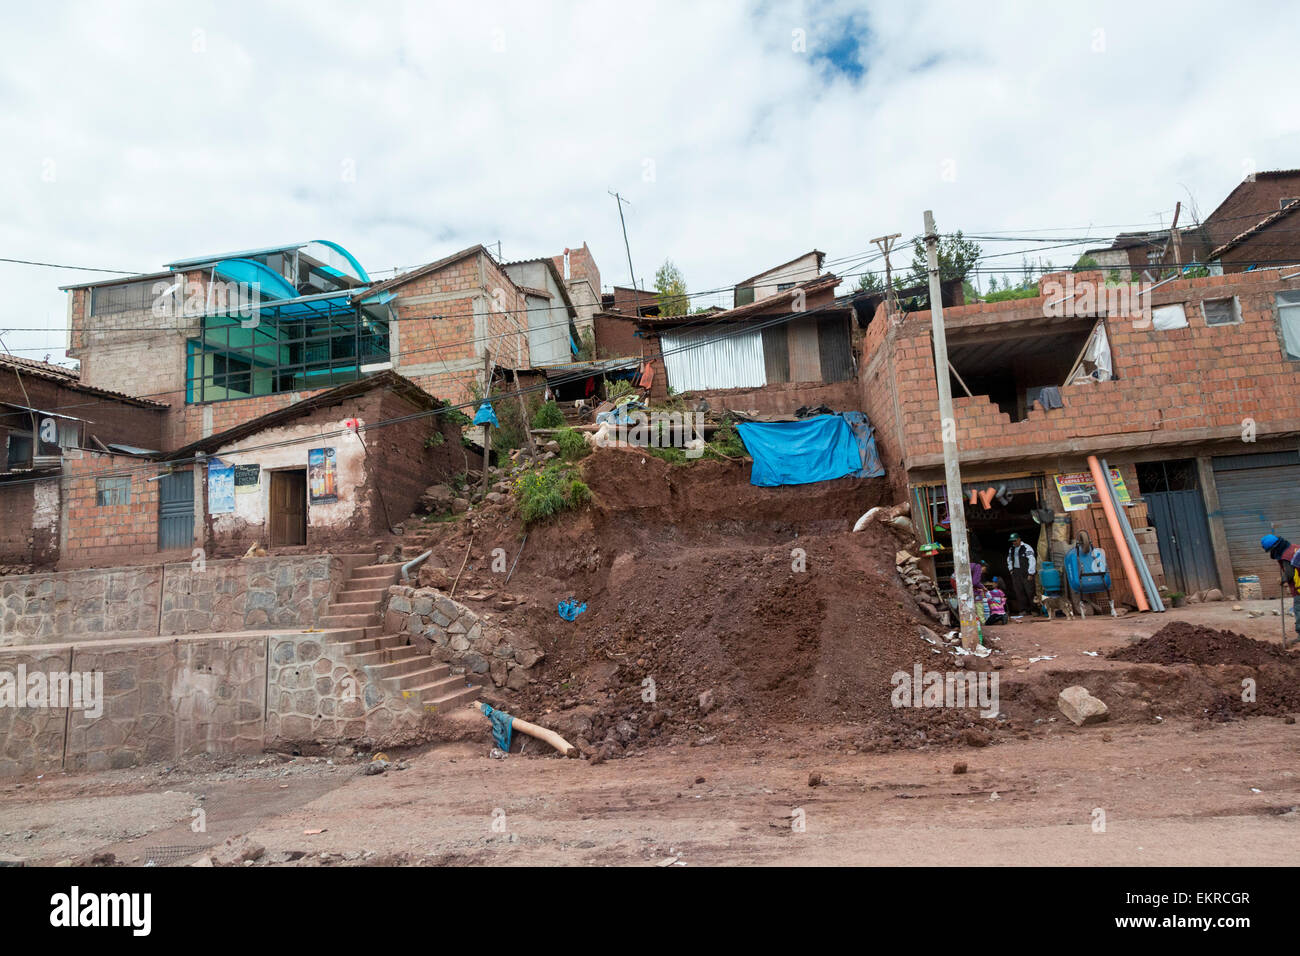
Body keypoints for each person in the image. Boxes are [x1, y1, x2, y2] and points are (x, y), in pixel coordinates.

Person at [1260, 533, 1300, 644]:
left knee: (1299, 609)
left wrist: (1282, 579)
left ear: (1274, 548)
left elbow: (1290, 574)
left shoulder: (1286, 556)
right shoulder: (1294, 547)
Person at [1006, 532, 1036, 616]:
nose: (1014, 543)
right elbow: (1009, 560)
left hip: (1026, 572)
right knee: (1019, 591)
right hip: (1016, 573)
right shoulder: (1011, 549)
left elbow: (1032, 560)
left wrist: (1031, 573)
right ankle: (1024, 610)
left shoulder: (1026, 547)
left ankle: (1034, 609)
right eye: (1012, 541)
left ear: (1019, 539)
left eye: (1015, 541)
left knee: (1030, 591)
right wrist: (1011, 570)